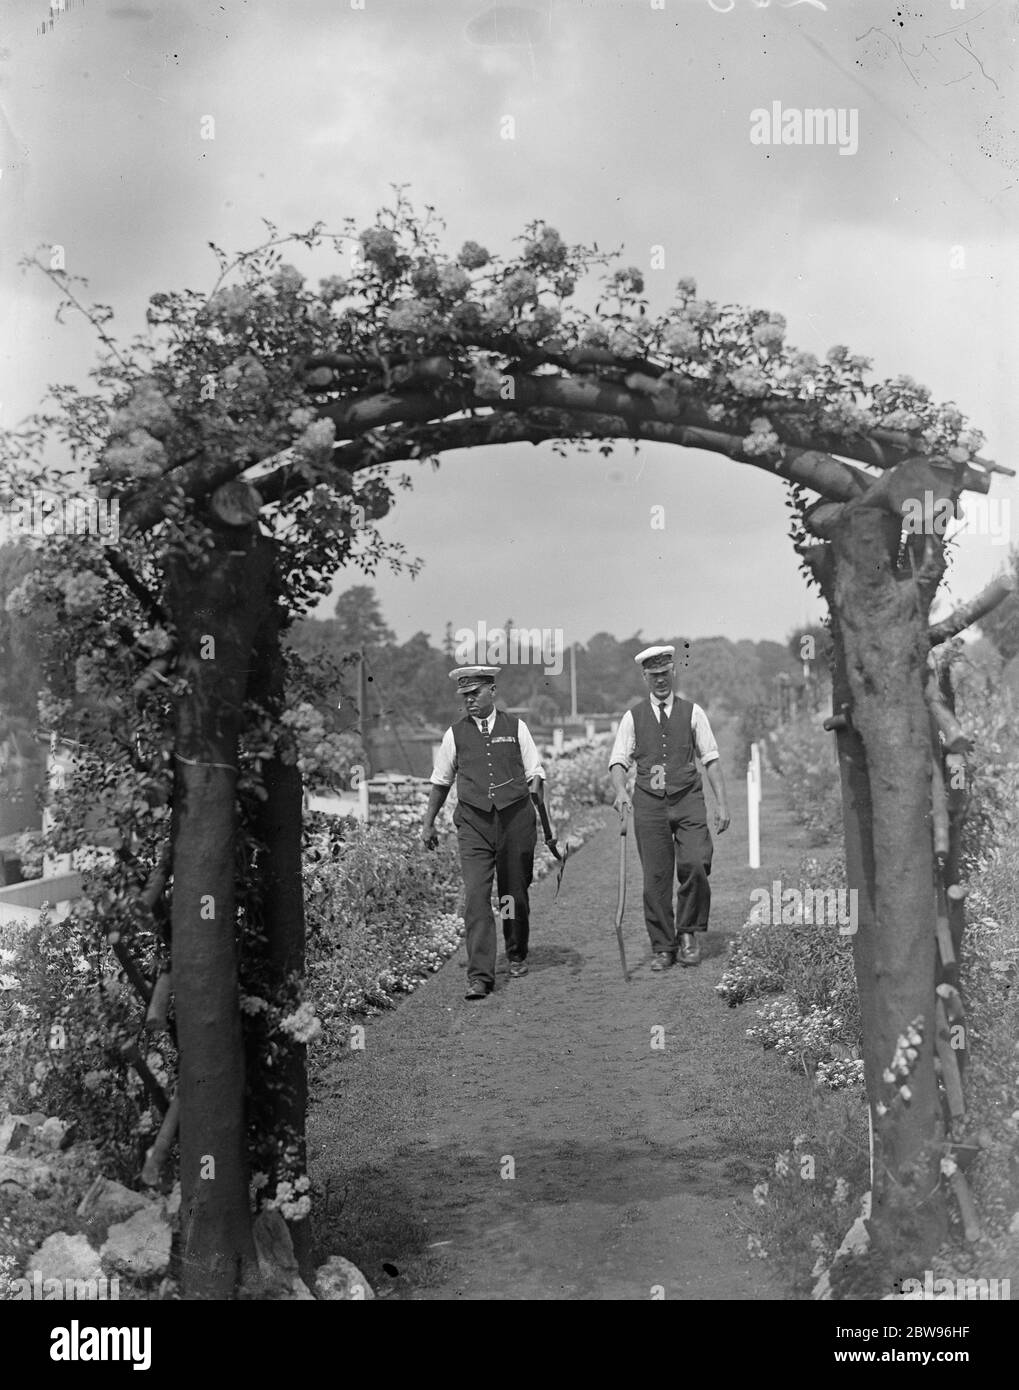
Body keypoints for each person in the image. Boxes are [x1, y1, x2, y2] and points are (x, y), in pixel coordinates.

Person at [421, 666, 546, 1000]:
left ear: (492, 690)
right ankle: (480, 976)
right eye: (465, 696)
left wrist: (536, 792)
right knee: (476, 896)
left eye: (475, 693)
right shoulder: (454, 734)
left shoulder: (517, 728)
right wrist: (428, 823)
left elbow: (535, 771)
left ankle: (517, 951)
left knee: (512, 894)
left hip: (515, 820)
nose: (469, 701)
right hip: (474, 825)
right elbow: (441, 781)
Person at [608, 645, 730, 970]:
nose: (660, 680)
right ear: (644, 677)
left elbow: (711, 759)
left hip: (688, 798)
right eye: (653, 675)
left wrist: (722, 803)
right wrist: (620, 790)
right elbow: (618, 761)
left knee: (695, 862)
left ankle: (688, 932)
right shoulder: (632, 717)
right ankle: (664, 947)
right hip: (649, 804)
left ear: (673, 672)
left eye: (665, 673)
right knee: (656, 878)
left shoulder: (693, 712)